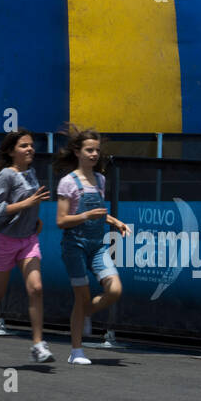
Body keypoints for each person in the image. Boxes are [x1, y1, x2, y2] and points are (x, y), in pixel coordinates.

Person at [0, 130, 53, 366]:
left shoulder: (31, 173)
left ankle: (37, 344)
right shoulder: (6, 175)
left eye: (31, 145)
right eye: (24, 146)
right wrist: (27, 203)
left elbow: (31, 205)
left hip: (28, 240)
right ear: (11, 150)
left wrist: (35, 219)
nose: (30, 149)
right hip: (3, 241)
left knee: (36, 288)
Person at [55, 127, 129, 365]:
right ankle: (76, 351)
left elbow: (99, 214)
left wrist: (116, 221)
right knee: (82, 296)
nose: (94, 154)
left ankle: (84, 313)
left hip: (97, 246)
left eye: (97, 150)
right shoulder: (68, 183)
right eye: (89, 150)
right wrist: (86, 216)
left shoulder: (100, 179)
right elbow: (61, 221)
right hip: (74, 245)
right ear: (77, 152)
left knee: (115, 290)